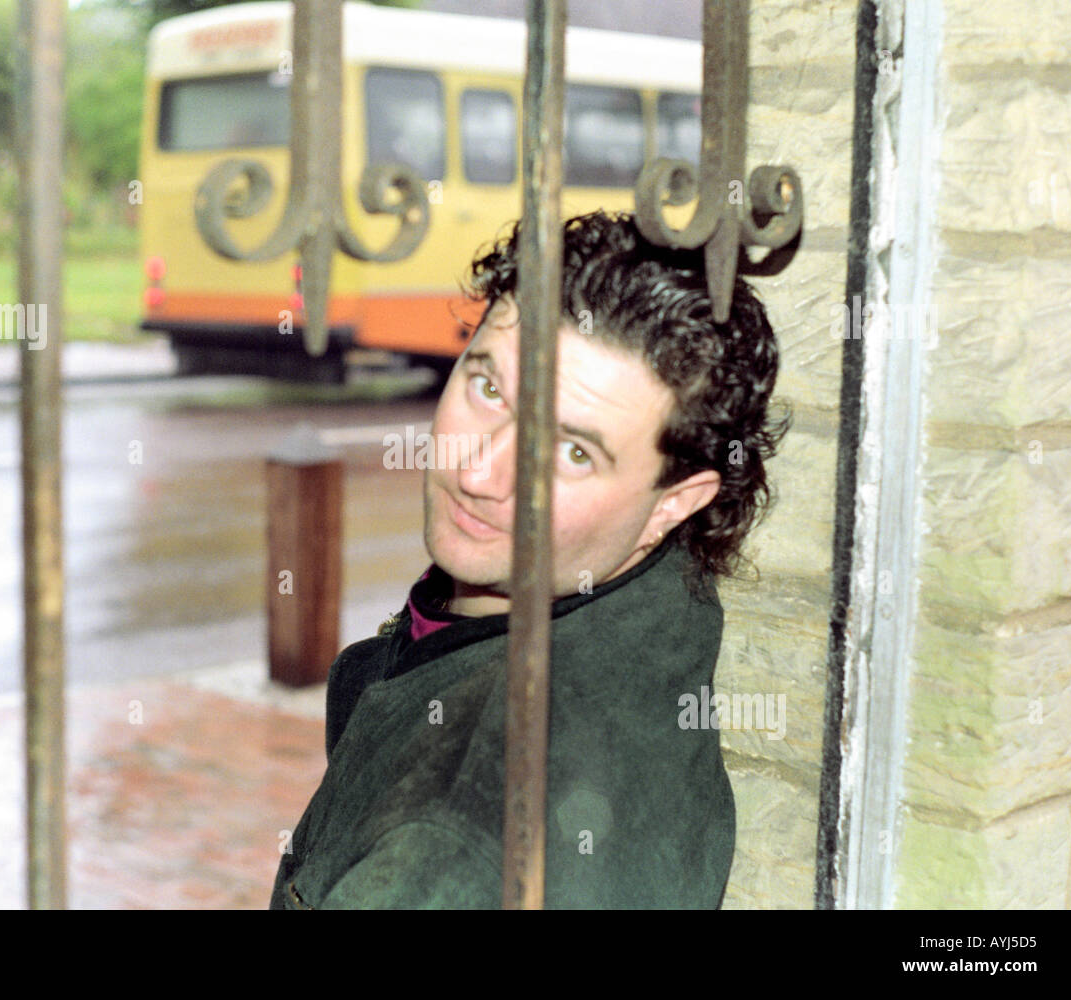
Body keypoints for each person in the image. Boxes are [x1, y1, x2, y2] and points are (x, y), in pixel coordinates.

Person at [269, 210, 787, 909]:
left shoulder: (453, 846)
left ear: (672, 503)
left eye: (573, 451)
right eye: (488, 389)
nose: (480, 472)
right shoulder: (651, 593)